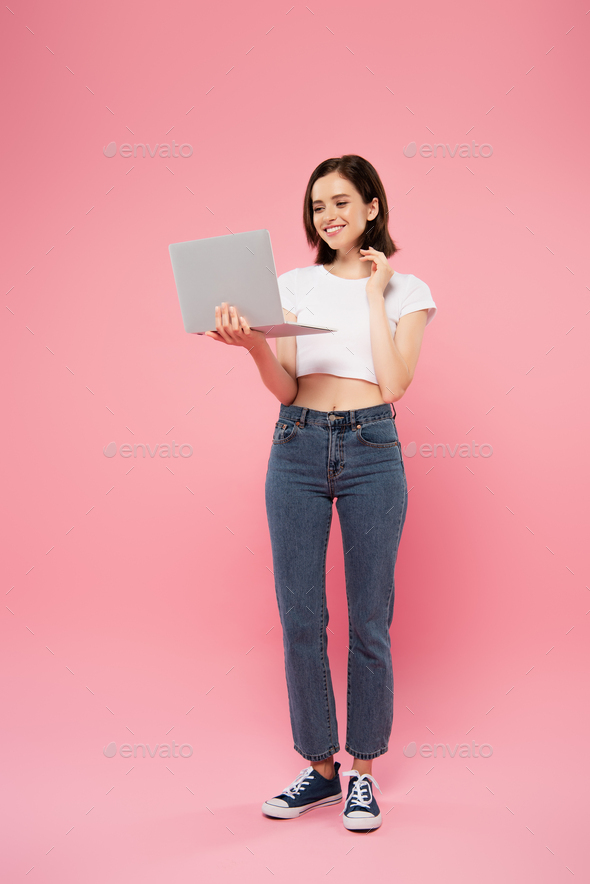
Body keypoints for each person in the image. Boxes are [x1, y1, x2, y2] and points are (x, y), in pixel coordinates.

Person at [205, 154, 437, 831]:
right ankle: (321, 768)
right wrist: (253, 346)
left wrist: (374, 290)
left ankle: (362, 772)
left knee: (369, 620)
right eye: (316, 206)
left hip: (372, 449)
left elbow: (394, 384)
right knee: (301, 618)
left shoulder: (408, 290)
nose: (328, 216)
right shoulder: (293, 284)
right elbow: (286, 387)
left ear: (371, 206)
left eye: (340, 202)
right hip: (297, 446)